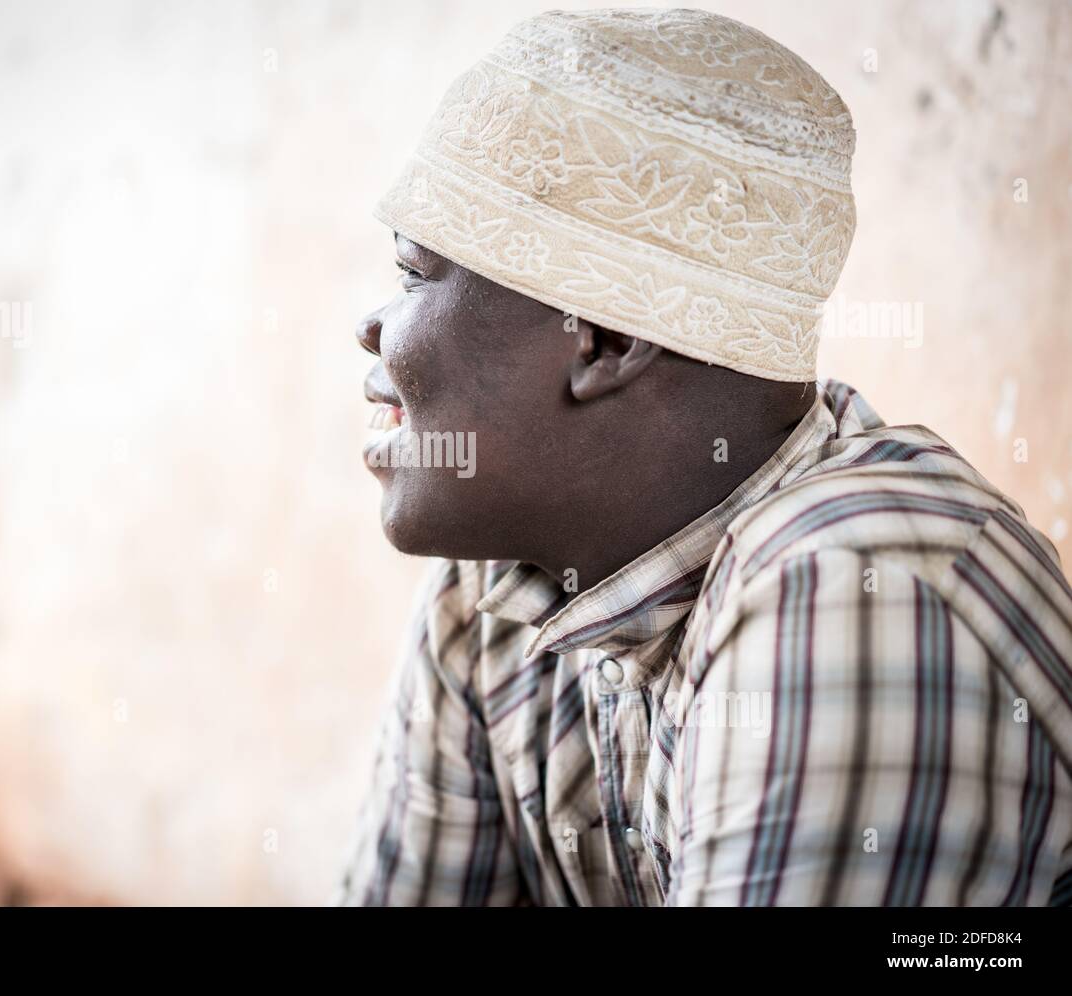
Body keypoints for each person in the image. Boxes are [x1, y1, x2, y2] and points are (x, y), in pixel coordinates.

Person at [338, 8, 1072, 906]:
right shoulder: (489, 601)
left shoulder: (852, 586)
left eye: (415, 275)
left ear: (600, 340)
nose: (370, 326)